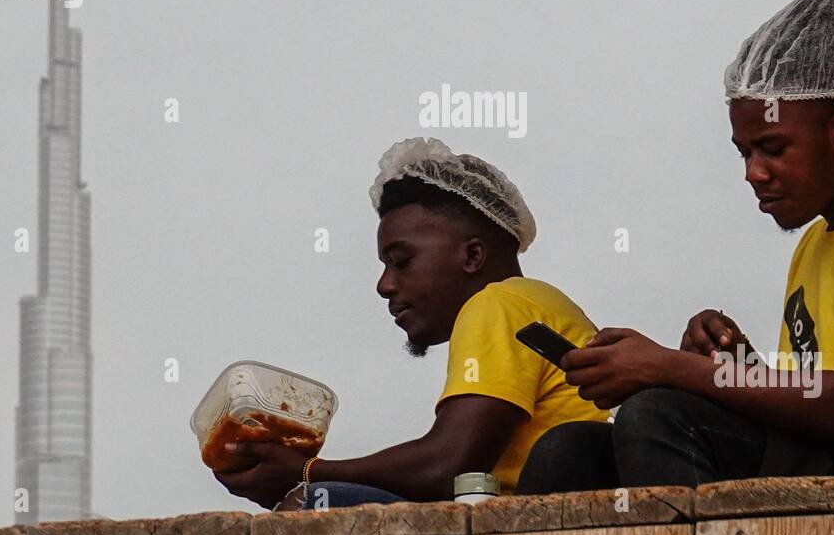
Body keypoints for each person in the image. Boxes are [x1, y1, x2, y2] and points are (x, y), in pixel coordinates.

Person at [518, 0, 834, 494]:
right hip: (828, 457)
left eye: (772, 148)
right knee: (569, 451)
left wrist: (670, 369)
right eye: (744, 153)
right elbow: (807, 401)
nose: (754, 173)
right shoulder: (815, 243)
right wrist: (734, 366)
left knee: (659, 414)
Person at [215, 137, 609, 510]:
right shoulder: (536, 303)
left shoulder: (498, 303)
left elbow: (447, 466)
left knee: (320, 503)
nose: (384, 285)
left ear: (472, 256)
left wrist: (304, 473)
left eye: (401, 261)